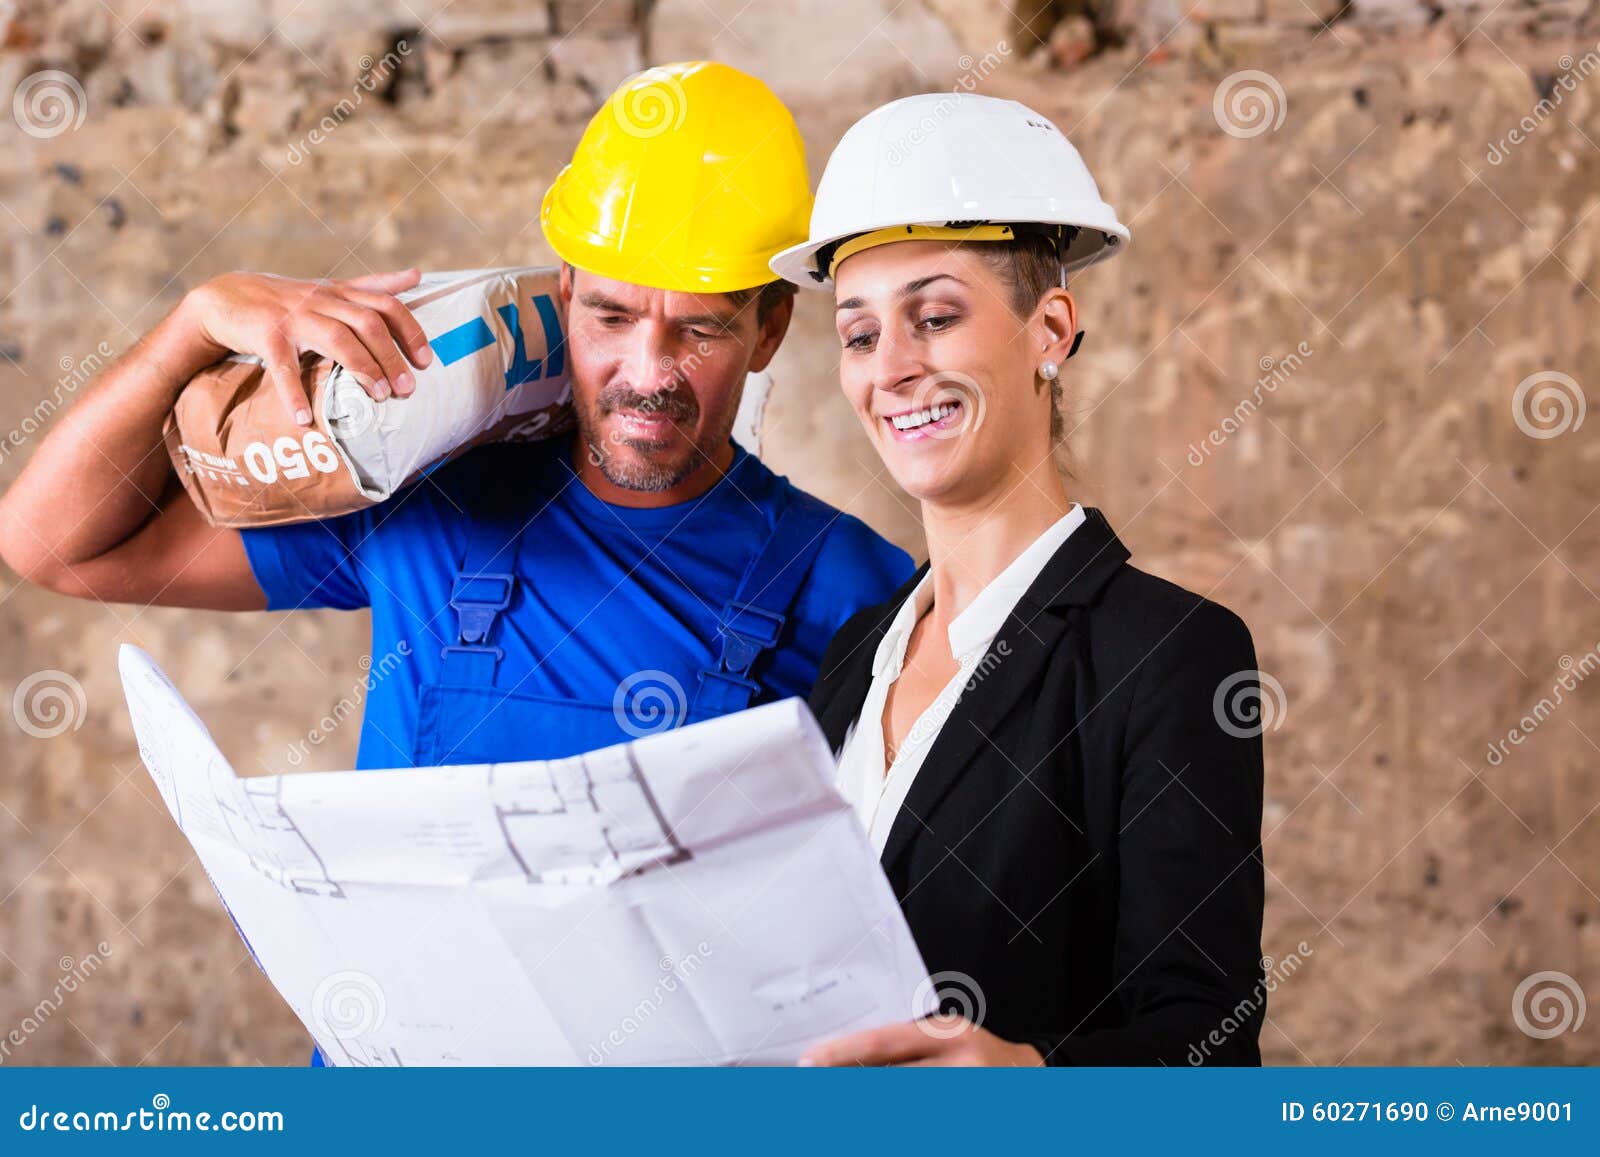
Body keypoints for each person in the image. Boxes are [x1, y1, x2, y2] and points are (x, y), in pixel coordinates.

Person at [0, 62, 914, 1063]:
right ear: (561, 295)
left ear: (770, 326)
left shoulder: (855, 589)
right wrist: (190, 328)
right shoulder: (423, 491)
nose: (648, 374)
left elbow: (872, 941)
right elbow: (55, 543)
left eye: (698, 329)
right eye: (610, 317)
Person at [769, 93, 1266, 1066]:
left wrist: (1026, 1076)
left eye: (936, 317)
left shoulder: (1165, 655)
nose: (894, 367)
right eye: (860, 334)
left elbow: (1210, 1044)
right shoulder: (854, 654)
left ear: (1048, 332)